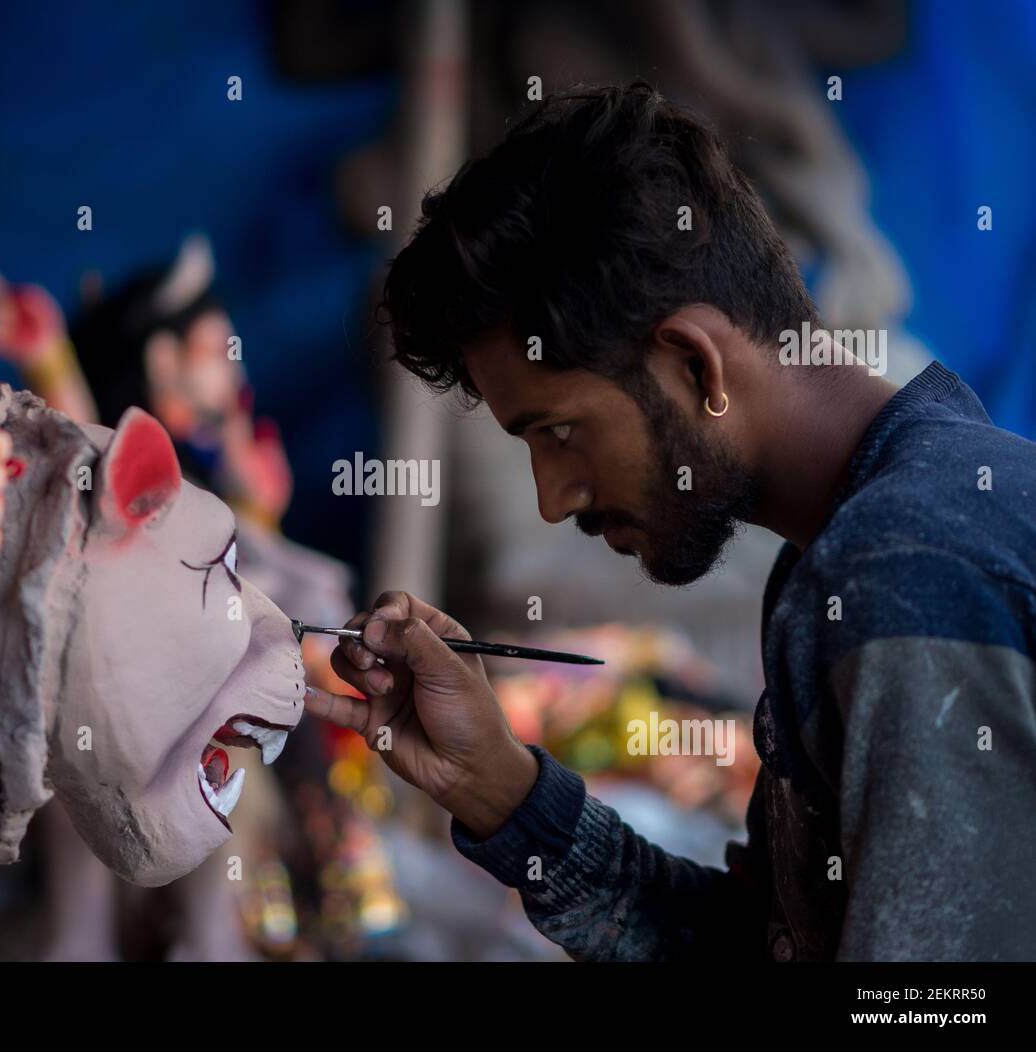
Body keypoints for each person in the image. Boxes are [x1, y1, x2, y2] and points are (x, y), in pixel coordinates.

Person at [303, 82, 1036, 961]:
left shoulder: (903, 566)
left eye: (560, 432)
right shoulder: (860, 548)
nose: (554, 497)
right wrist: (504, 792)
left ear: (695, 364)